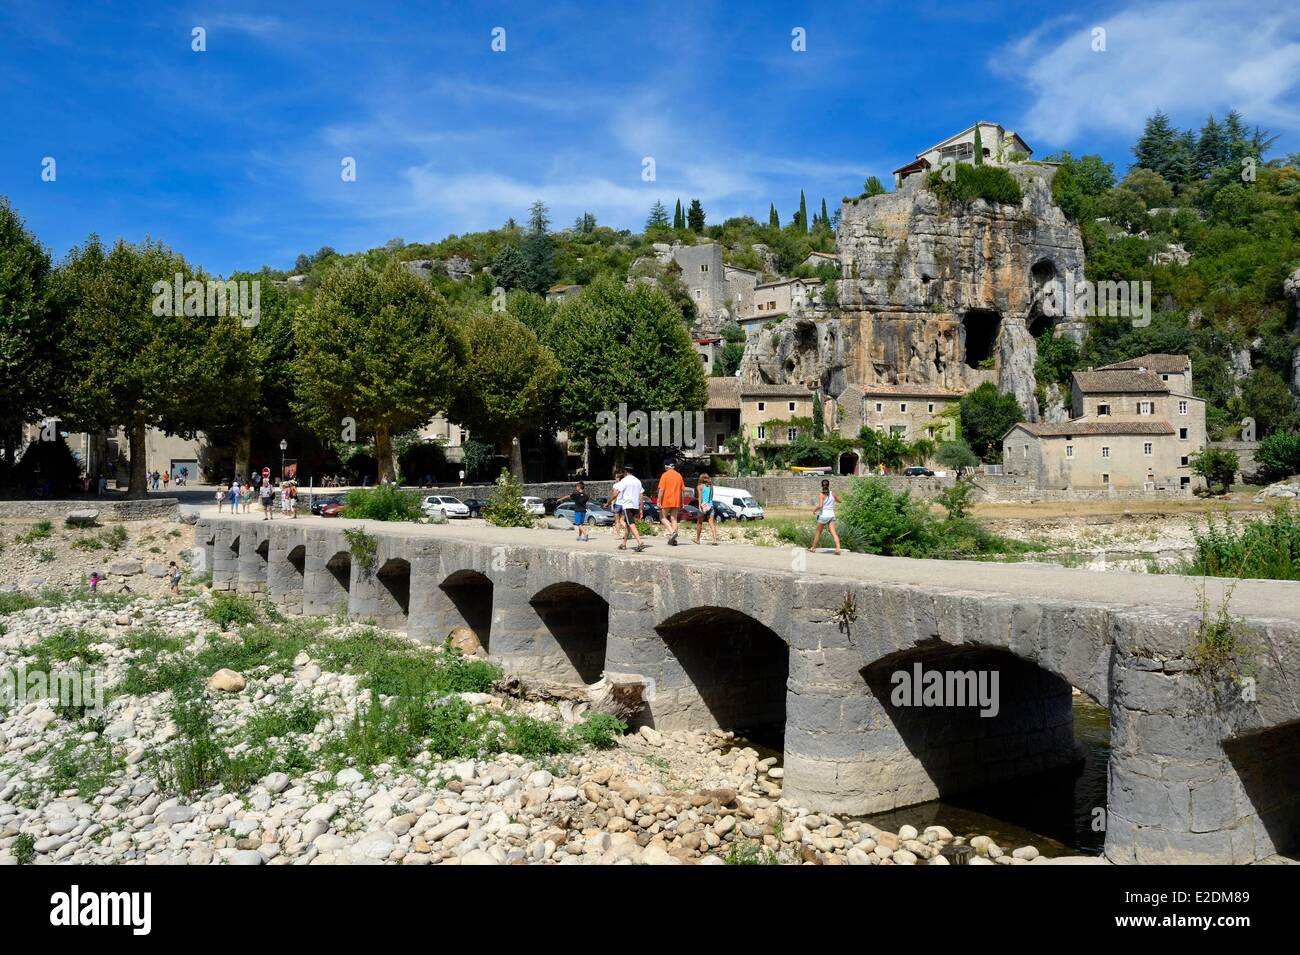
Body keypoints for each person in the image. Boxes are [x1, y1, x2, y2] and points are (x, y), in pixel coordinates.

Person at [610, 466, 645, 552]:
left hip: (627, 506)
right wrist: (641, 509)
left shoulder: (624, 481)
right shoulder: (638, 481)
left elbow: (616, 494)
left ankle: (640, 542)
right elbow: (641, 496)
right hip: (635, 506)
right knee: (628, 525)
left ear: (625, 472)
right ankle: (624, 544)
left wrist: (608, 502)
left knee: (631, 524)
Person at [808, 479, 842, 555]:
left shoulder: (821, 494)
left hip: (824, 516)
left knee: (818, 533)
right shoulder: (833, 493)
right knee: (833, 533)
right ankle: (838, 549)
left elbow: (820, 505)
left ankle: (813, 548)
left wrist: (814, 510)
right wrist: (835, 499)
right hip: (831, 515)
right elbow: (839, 501)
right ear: (829, 485)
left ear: (821, 486)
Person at [657, 459, 685, 546]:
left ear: (666, 466)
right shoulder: (679, 475)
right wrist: (682, 502)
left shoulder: (665, 475)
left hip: (666, 499)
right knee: (674, 519)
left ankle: (672, 532)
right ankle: (674, 540)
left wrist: (658, 500)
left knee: (662, 517)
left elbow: (661, 489)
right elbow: (682, 490)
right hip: (676, 500)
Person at [693, 472, 719, 545]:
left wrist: (699, 506)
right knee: (711, 523)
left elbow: (700, 497)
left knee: (699, 523)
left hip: (703, 506)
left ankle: (698, 539)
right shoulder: (711, 486)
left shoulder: (700, 486)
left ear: (700, 479)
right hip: (710, 506)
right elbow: (711, 496)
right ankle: (715, 540)